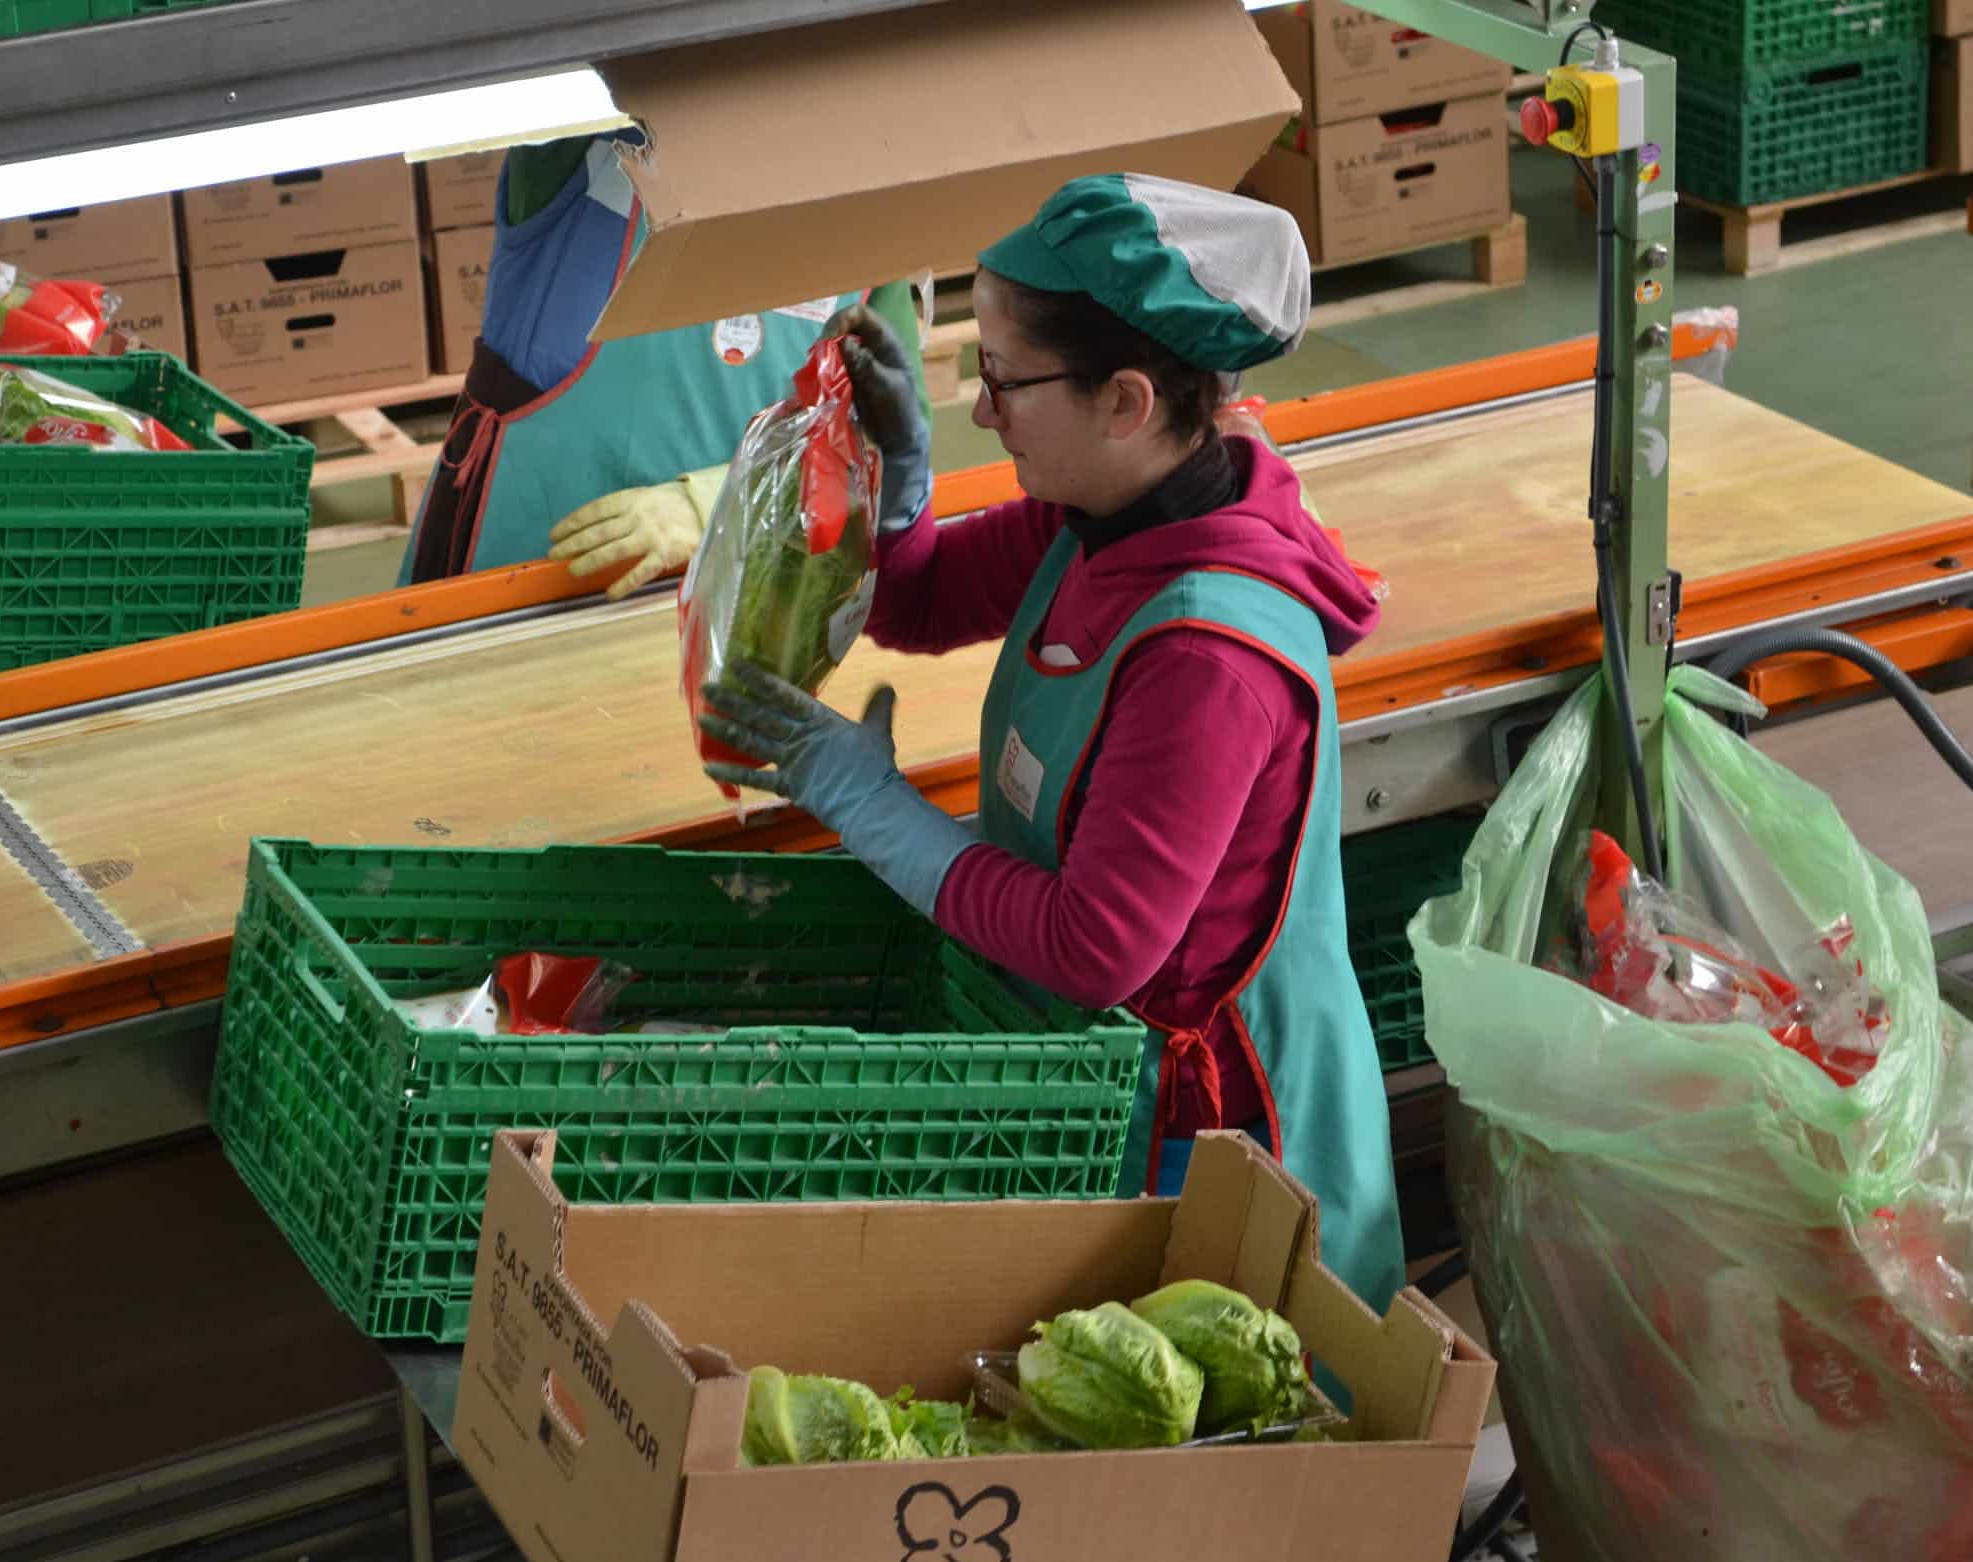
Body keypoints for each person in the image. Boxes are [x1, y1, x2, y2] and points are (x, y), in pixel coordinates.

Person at [695, 174, 1403, 1314]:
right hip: (1099, 1064)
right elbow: (920, 605)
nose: (987, 411)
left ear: (1126, 400)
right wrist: (899, 476)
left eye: (1005, 382)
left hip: (1221, 1134)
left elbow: (1094, 946)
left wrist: (877, 814)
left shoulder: (1206, 657)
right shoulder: (1104, 515)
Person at [401, 135, 930, 593]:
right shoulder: (577, 152)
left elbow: (892, 453)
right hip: (501, 613)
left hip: (729, 621)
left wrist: (719, 505)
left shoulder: (869, 200)